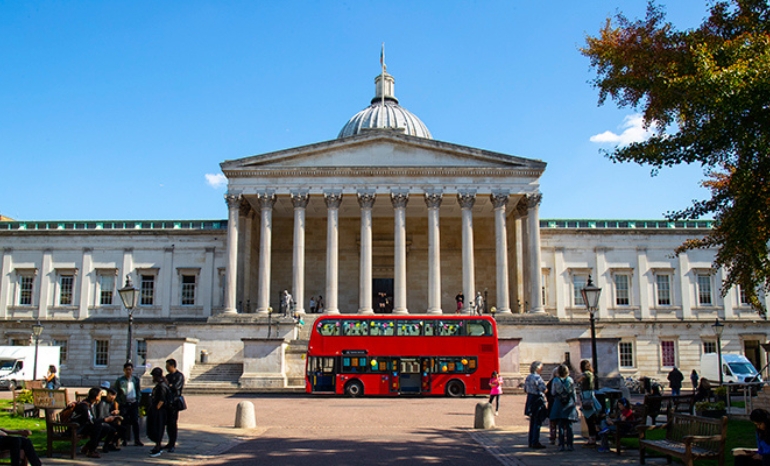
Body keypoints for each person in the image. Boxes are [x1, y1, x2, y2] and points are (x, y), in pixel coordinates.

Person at [72, 387, 119, 458]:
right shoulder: (85, 405)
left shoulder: (92, 404)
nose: (101, 396)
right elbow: (90, 420)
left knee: (106, 427)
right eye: (100, 395)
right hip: (78, 428)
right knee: (99, 426)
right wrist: (105, 420)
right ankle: (91, 450)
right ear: (96, 396)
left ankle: (88, 446)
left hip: (86, 426)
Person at [550, 364, 578, 452]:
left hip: (559, 403)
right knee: (569, 426)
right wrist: (575, 401)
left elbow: (553, 392)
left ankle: (561, 444)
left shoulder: (555, 380)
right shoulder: (570, 380)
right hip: (569, 403)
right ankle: (570, 444)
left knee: (561, 426)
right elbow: (573, 392)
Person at [115, 361, 143, 446]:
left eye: (130, 369)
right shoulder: (120, 380)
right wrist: (119, 402)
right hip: (125, 403)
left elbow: (138, 391)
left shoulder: (135, 380)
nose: (128, 371)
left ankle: (137, 440)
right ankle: (124, 439)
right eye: (127, 369)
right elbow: (116, 392)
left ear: (132, 370)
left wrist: (138, 399)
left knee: (135, 421)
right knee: (124, 422)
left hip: (133, 403)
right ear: (124, 370)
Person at [524, 361, 548, 449]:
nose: (542, 370)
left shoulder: (528, 377)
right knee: (538, 421)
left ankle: (531, 441)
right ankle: (535, 441)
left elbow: (525, 389)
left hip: (530, 399)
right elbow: (543, 389)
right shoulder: (537, 378)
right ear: (537, 368)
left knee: (532, 421)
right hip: (537, 399)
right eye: (541, 368)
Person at [576, 359, 600, 447]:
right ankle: (592, 438)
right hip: (589, 395)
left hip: (587, 397)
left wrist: (578, 379)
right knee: (590, 419)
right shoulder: (590, 374)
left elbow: (579, 380)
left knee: (589, 419)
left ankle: (592, 439)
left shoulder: (586, 374)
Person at [147, 367, 170, 458]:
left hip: (160, 411)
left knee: (158, 427)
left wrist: (156, 409)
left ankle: (158, 446)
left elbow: (162, 400)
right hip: (159, 410)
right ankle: (157, 445)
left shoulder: (162, 386)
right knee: (156, 427)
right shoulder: (161, 385)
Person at [165, 358, 185, 453]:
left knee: (173, 423)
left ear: (172, 366)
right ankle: (169, 442)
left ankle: (172, 443)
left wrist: (170, 386)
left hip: (175, 402)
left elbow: (176, 387)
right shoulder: (167, 376)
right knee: (168, 424)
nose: (166, 368)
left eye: (167, 366)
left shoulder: (179, 376)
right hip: (167, 402)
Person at [95, 388, 125, 452]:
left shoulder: (112, 403)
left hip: (110, 421)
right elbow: (101, 416)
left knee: (123, 429)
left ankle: (110, 444)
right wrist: (109, 416)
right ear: (108, 394)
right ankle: (106, 445)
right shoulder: (102, 403)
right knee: (112, 429)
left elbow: (110, 413)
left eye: (114, 396)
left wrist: (116, 414)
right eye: (112, 395)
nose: (113, 397)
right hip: (103, 422)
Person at [545, 367, 560, 445]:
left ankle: (552, 437)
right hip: (559, 403)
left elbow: (547, 393)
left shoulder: (550, 382)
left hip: (552, 403)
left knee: (553, 422)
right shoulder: (562, 381)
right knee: (561, 422)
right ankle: (562, 437)